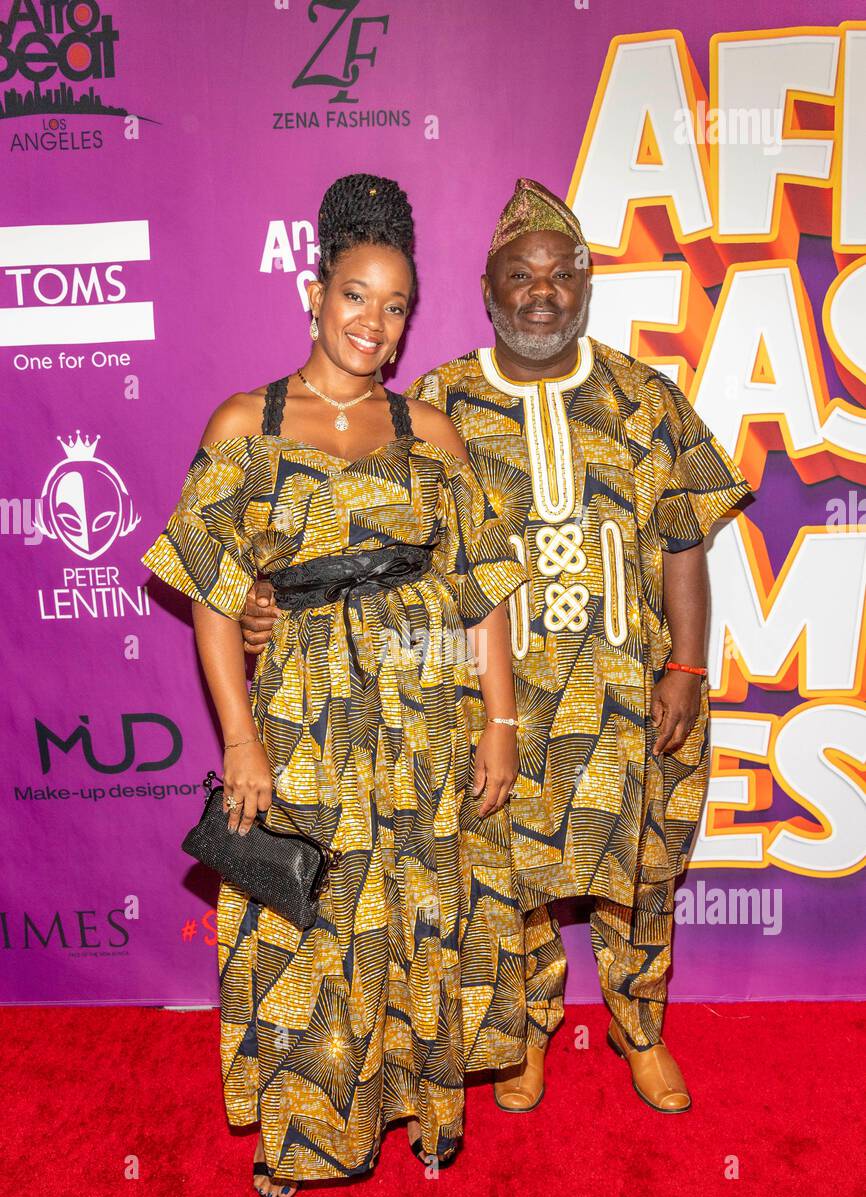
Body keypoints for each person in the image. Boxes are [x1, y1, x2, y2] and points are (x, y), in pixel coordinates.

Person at [241, 176, 753, 1118]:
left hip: (624, 688)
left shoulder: (646, 400)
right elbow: (354, 527)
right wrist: (270, 597)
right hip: (489, 697)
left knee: (633, 866)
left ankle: (642, 1030)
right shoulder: (440, 400)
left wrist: (685, 664)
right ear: (488, 291)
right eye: (521, 275)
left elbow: (685, 537)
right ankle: (524, 1035)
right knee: (502, 874)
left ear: (588, 285)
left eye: (562, 274)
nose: (542, 291)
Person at [139, 174, 530, 1197]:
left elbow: (480, 591)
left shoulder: (430, 436)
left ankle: (426, 1111)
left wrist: (496, 721)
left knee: (416, 915)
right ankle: (303, 1135)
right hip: (302, 721)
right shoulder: (246, 425)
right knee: (307, 925)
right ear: (312, 294)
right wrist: (239, 741)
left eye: (395, 304)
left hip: (418, 716)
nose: (374, 322)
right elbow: (217, 601)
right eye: (355, 295)